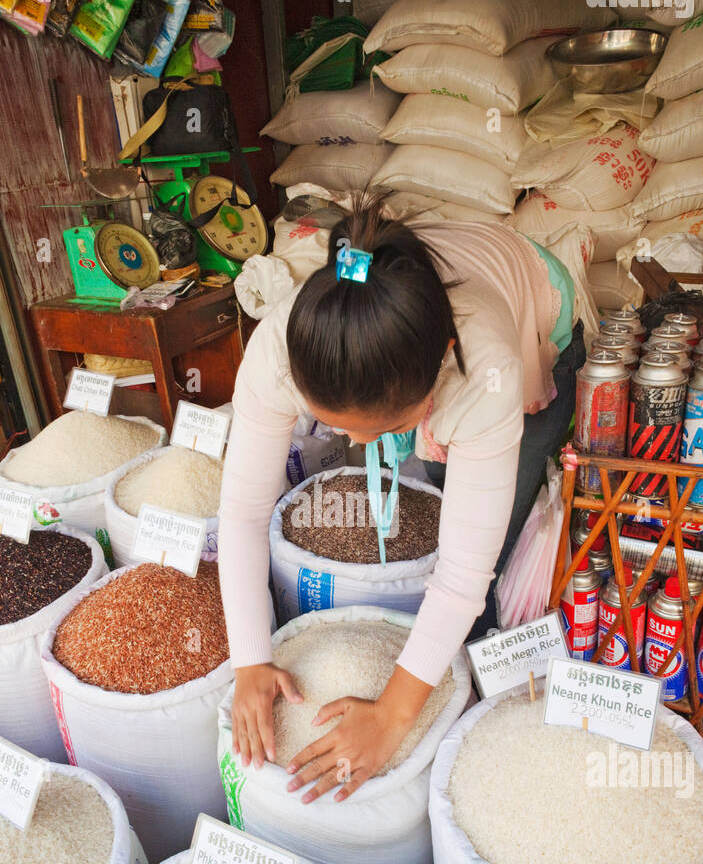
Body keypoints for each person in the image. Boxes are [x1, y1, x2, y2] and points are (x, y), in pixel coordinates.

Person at [217, 191, 586, 804]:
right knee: (430, 494)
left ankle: (472, 697)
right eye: (334, 425)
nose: (356, 444)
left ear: (438, 372)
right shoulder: (281, 348)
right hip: (407, 299)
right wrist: (250, 658)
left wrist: (394, 714)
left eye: (380, 429)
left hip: (531, 299)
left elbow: (465, 572)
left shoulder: (485, 370)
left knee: (490, 535)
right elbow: (245, 511)